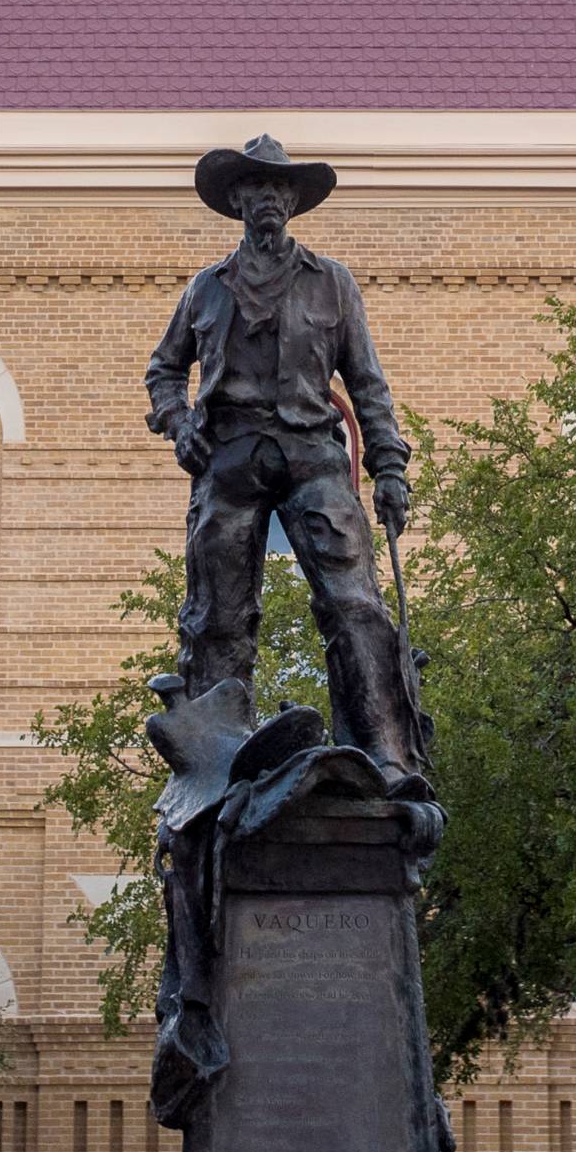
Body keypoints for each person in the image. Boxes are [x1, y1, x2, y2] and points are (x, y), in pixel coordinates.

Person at [142, 135, 428, 794]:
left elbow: (367, 383)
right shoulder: (205, 290)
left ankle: (385, 756)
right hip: (229, 459)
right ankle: (217, 766)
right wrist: (178, 420)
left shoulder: (331, 282)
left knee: (356, 605)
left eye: (280, 189)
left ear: (293, 202)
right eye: (256, 187)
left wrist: (388, 467)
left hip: (311, 457)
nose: (268, 198)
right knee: (216, 614)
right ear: (238, 199)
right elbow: (162, 371)